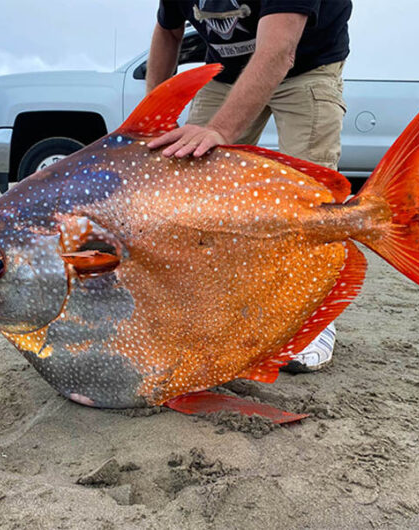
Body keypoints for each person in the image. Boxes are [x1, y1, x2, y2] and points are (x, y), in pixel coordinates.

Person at [145, 0, 353, 372]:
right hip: (227, 75)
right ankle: (211, 312)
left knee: (311, 196)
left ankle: (312, 320)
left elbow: (279, 51)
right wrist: (155, 116)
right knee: (190, 189)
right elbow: (168, 31)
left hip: (307, 65)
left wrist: (220, 130)